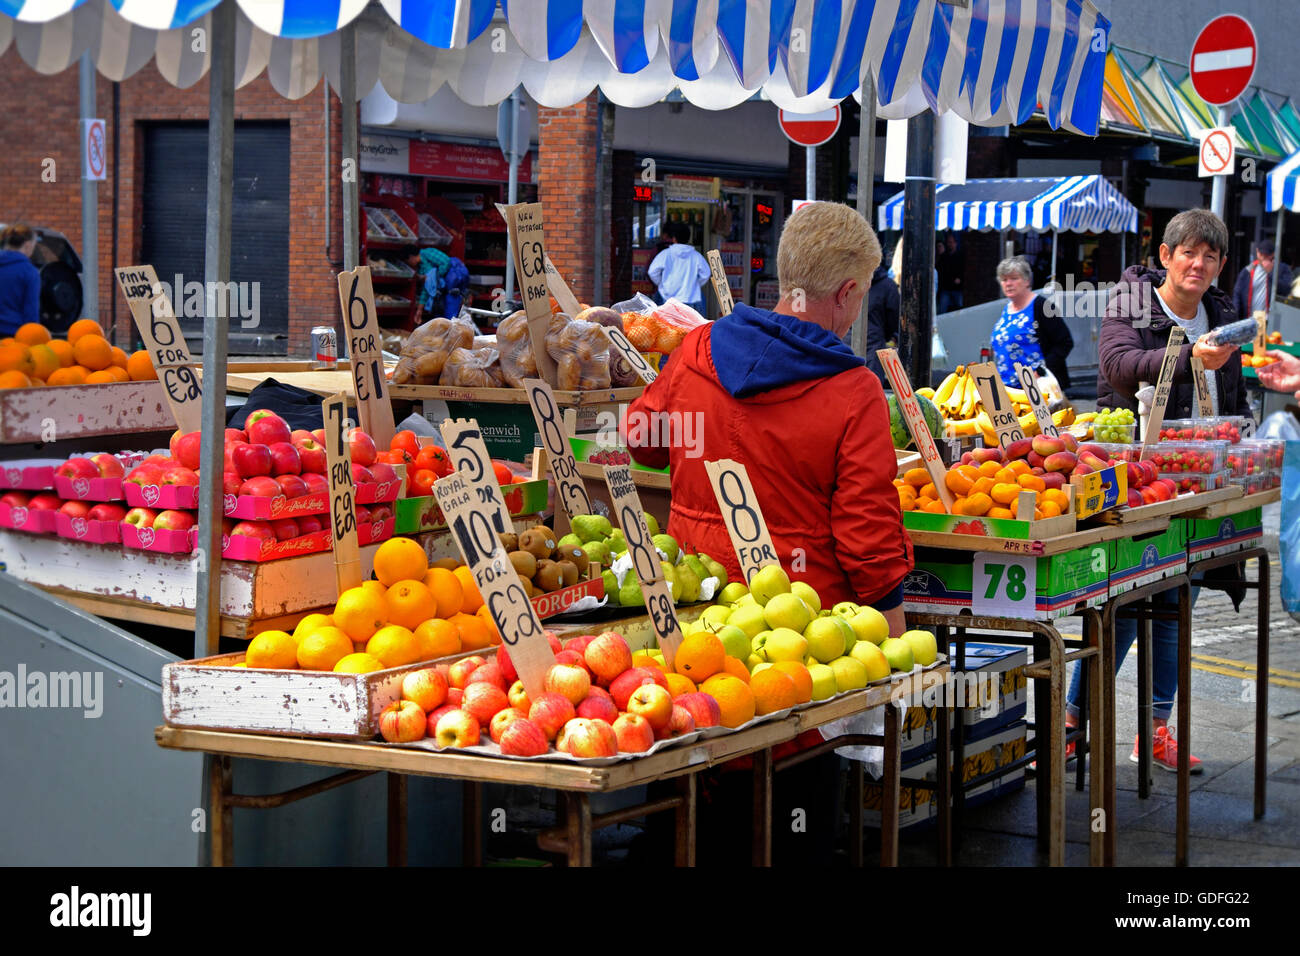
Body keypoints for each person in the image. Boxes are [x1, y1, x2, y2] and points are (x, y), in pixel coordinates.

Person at [624, 203, 913, 865]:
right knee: (792, 815)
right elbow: (867, 528)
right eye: (860, 296)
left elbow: (640, 441)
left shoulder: (697, 349)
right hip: (799, 629)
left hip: (696, 611)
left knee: (693, 777)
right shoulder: (853, 389)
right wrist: (892, 623)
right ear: (845, 293)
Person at [1083, 208, 1250, 774]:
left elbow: (1233, 398)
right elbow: (1117, 364)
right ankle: (1072, 724)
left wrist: (1241, 454)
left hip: (1198, 486)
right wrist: (1186, 357)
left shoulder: (1224, 315)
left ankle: (1153, 730)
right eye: (1188, 253)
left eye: (1210, 256)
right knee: (1123, 608)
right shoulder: (1132, 302)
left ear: (1220, 265)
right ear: (1165, 258)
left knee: (1178, 607)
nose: (1198, 264)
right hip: (1135, 483)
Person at [989, 257, 1073, 391]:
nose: (1008, 283)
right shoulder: (1007, 309)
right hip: (1007, 388)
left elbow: (1065, 342)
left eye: (1014, 278)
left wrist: (1040, 371)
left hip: (1037, 389)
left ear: (1027, 281)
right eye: (1004, 280)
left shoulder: (1041, 306)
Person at [647, 222, 710, 315]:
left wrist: (662, 283)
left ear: (674, 238)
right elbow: (706, 274)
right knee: (691, 328)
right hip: (691, 298)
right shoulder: (696, 256)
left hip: (667, 300)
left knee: (668, 328)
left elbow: (652, 272)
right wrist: (694, 284)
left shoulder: (665, 254)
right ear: (688, 238)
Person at [1232, 239, 1293, 320]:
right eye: (1261, 254)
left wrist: (1270, 273)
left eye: (1267, 255)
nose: (1264, 258)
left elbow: (1286, 290)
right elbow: (1237, 293)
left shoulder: (1282, 269)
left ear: (1273, 255)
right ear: (1257, 252)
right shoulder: (1248, 270)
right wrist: (1235, 317)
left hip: (1271, 320)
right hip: (1249, 319)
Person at [863, 258, 899, 387]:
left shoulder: (848, 282)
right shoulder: (888, 286)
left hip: (847, 342)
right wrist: (889, 335)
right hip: (874, 342)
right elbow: (894, 318)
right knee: (871, 388)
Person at [0, 224, 41, 336]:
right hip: (13, 335)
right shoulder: (29, 272)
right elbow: (30, 312)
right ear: (27, 245)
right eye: (34, 246)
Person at [936, 234, 964, 313]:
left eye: (951, 242)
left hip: (957, 288)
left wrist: (960, 278)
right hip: (945, 288)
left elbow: (964, 269)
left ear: (955, 243)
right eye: (948, 242)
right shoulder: (944, 256)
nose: (950, 244)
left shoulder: (960, 256)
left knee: (959, 310)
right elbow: (940, 269)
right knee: (942, 310)